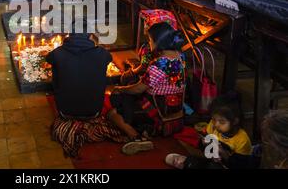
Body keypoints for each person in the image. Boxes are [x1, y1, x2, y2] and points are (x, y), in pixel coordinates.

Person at [107, 22, 186, 154]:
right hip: (175, 110)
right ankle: (143, 130)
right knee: (130, 86)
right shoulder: (180, 57)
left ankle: (136, 137)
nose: (149, 43)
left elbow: (139, 89)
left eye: (150, 40)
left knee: (113, 112)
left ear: (158, 42)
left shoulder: (159, 64)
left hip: (156, 113)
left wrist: (119, 88)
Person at [165, 93, 257, 169]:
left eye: (221, 122)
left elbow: (241, 166)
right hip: (213, 162)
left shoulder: (242, 140)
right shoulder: (213, 126)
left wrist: (224, 154)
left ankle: (188, 164)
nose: (216, 124)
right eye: (213, 119)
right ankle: (187, 162)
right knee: (199, 162)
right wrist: (203, 143)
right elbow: (206, 149)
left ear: (235, 121)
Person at [46, 22, 112, 119]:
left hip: (65, 110)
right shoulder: (102, 54)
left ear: (70, 34)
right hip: (94, 110)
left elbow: (48, 59)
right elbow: (109, 58)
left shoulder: (58, 53)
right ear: (90, 35)